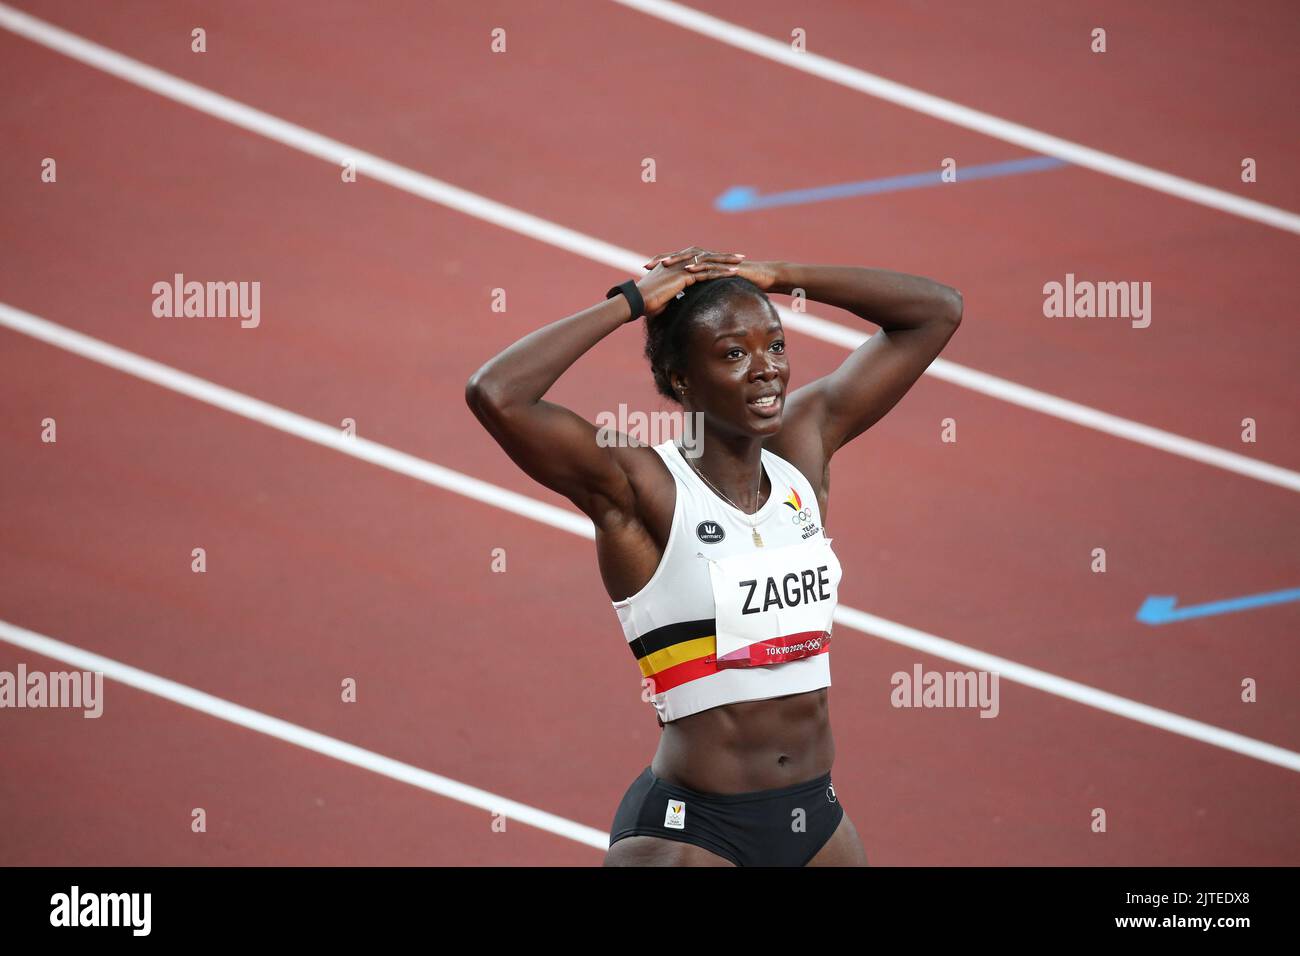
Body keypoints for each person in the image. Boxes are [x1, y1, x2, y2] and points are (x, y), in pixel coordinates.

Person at [465, 245, 962, 865]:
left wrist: (779, 275)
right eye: (733, 354)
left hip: (816, 820)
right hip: (696, 833)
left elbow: (936, 312)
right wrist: (631, 302)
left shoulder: (801, 451)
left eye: (775, 345)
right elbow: (497, 393)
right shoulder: (642, 488)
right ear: (681, 379)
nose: (766, 370)